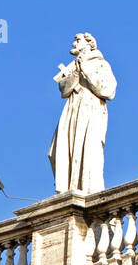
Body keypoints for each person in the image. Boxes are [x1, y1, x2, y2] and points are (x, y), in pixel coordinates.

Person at [49, 33, 117, 193]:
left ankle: (86, 189)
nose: (74, 43)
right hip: (72, 108)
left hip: (90, 107)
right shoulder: (71, 66)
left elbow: (108, 91)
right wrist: (75, 73)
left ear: (89, 44)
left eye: (77, 40)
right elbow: (63, 90)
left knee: (87, 147)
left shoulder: (101, 64)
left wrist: (86, 71)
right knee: (55, 152)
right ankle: (67, 187)